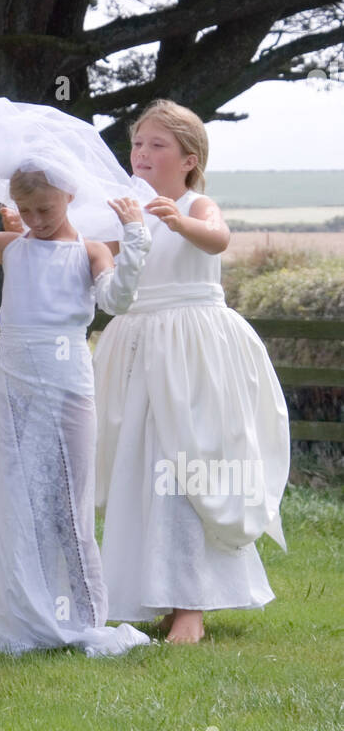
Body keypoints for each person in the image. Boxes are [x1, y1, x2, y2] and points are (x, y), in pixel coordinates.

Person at [0, 128, 153, 658]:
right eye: (25, 209)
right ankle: (27, 615)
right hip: (15, 380)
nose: (35, 220)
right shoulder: (10, 246)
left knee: (66, 498)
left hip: (68, 383)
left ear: (69, 196)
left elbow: (116, 299)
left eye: (45, 208)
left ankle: (84, 615)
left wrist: (134, 235)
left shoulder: (91, 250)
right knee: (19, 495)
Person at [93, 99, 289, 644]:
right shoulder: (122, 209)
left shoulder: (199, 205)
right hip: (138, 348)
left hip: (194, 351)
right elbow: (103, 267)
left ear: (189, 158)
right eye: (137, 144)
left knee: (189, 466)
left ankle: (192, 605)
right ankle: (156, 592)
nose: (142, 153)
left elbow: (218, 238)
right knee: (143, 468)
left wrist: (178, 220)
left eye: (157, 145)